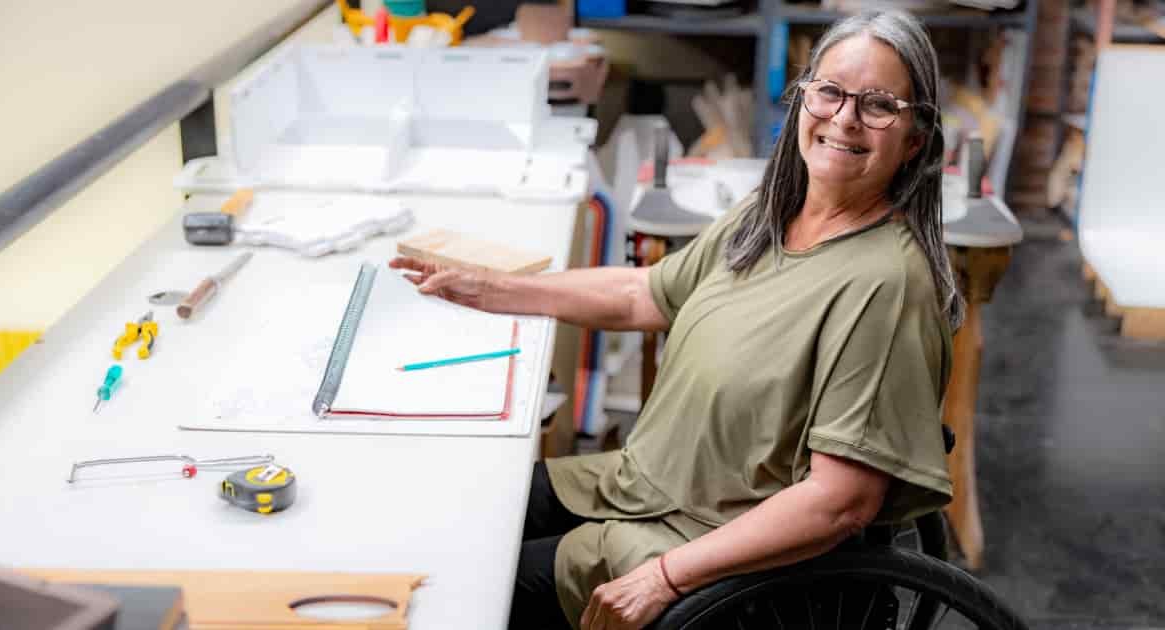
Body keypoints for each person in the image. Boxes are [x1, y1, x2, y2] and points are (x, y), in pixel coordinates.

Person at [390, 9, 960, 630]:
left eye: (878, 106)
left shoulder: (886, 286)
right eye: (830, 92)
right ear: (803, 99)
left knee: (463, 585)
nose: (845, 118)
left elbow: (839, 503)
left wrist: (664, 576)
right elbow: (643, 294)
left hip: (715, 553)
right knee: (461, 511)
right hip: (645, 484)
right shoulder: (771, 215)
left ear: (915, 140)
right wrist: (494, 289)